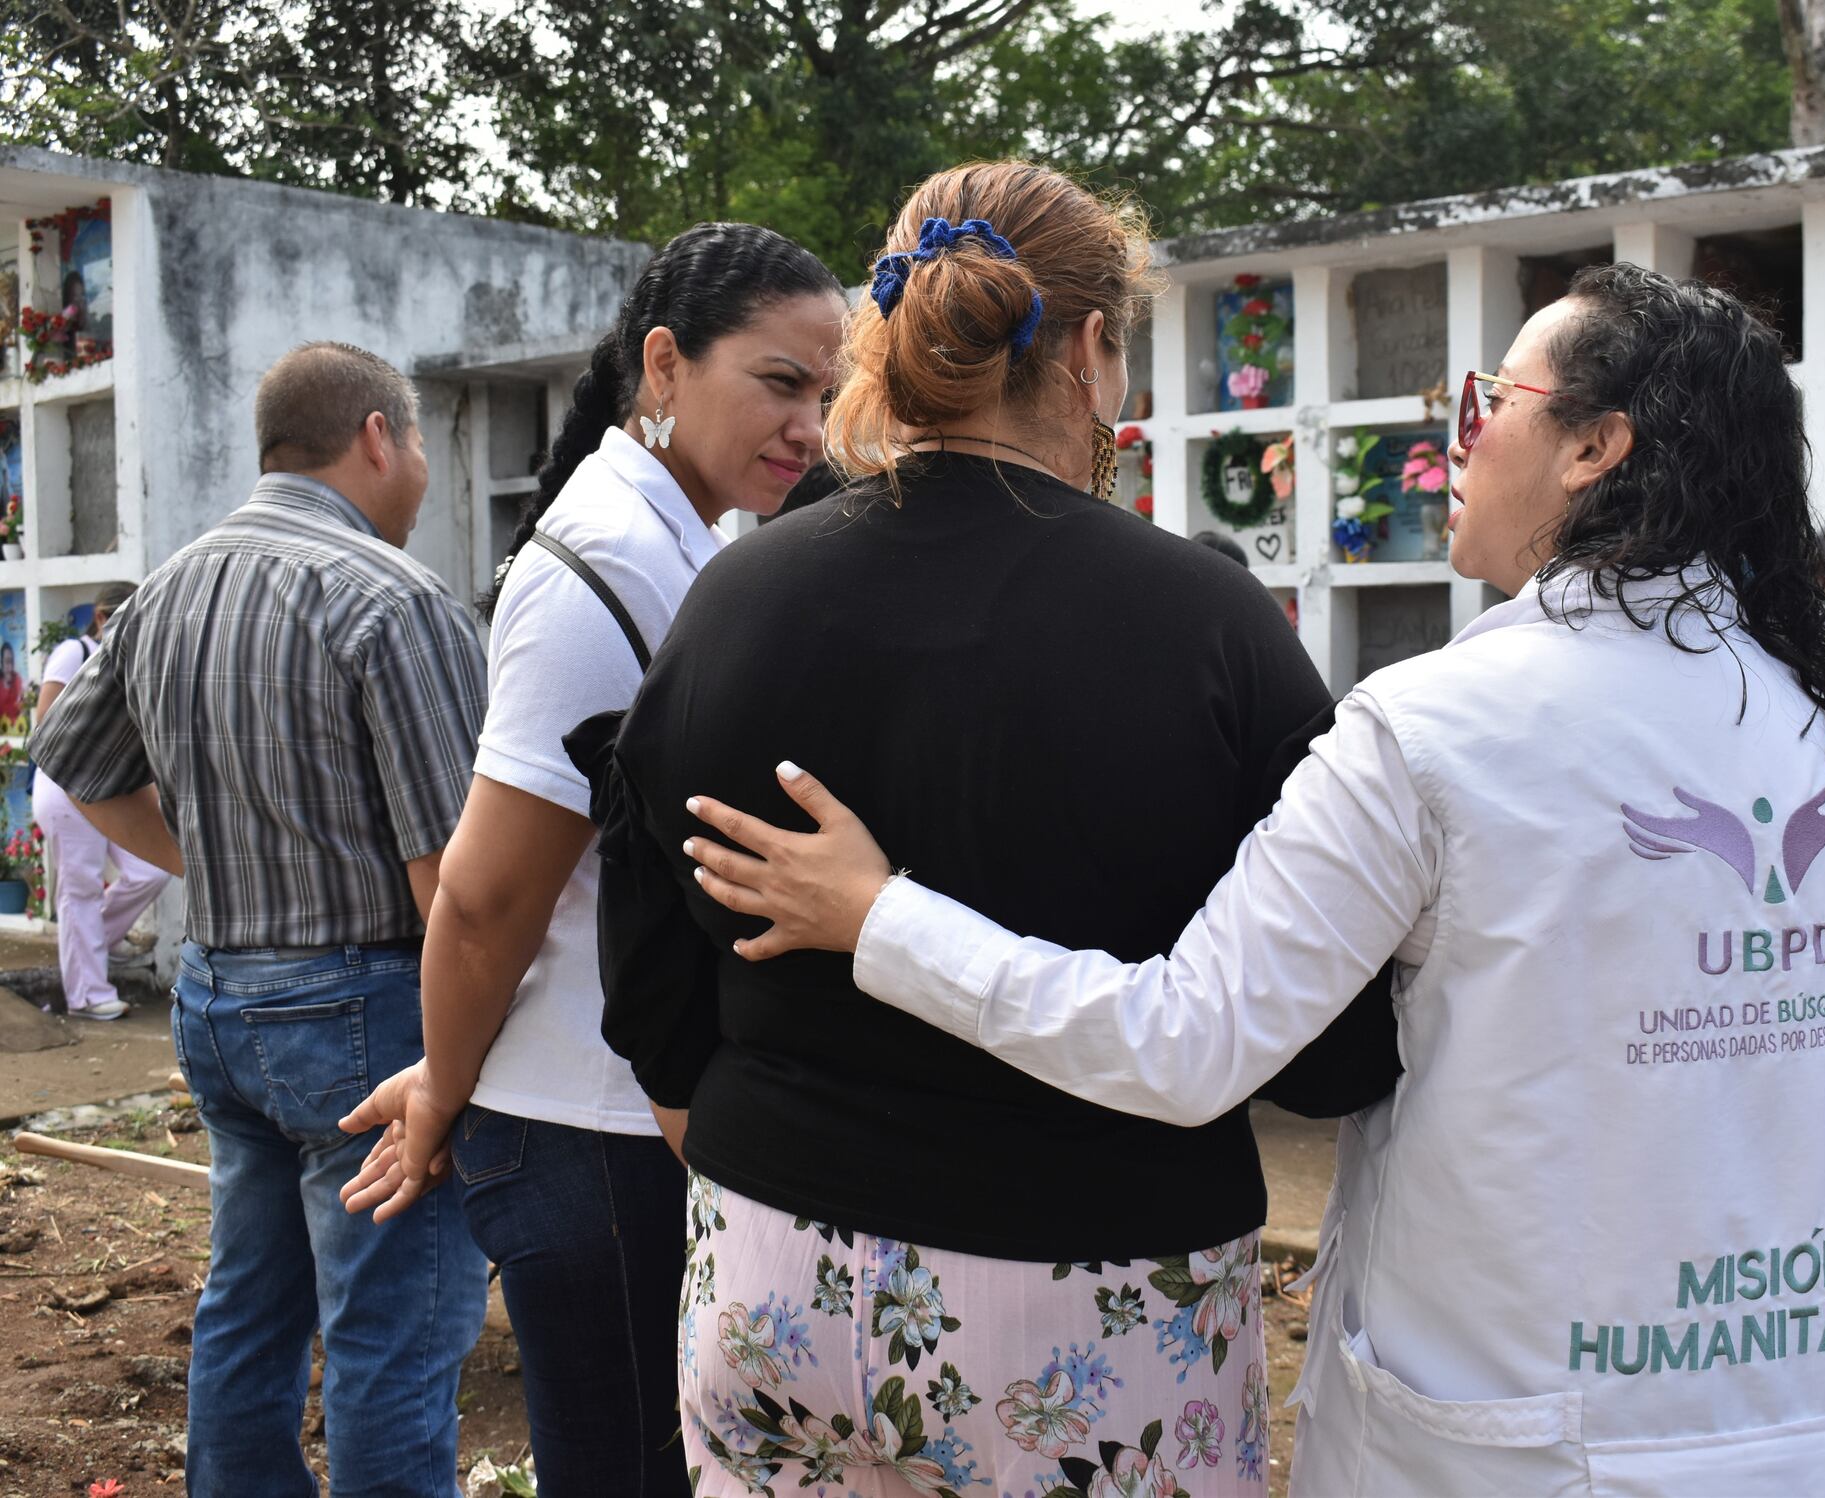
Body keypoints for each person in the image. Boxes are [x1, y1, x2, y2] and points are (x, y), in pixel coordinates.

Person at [683, 265, 1825, 1494]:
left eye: (1487, 402)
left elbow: (1185, 1043)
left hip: (1514, 1446)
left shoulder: (1440, 729)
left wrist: (881, 917)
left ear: (1595, 446)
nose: (1460, 441)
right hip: (1819, 1431)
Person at [565, 162, 1397, 1496]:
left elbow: (649, 956)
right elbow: (1332, 1041)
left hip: (768, 1264)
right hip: (1089, 1309)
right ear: (1089, 349)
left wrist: (761, 1139)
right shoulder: (1209, 628)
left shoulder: (730, 600)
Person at [335, 225, 843, 1494]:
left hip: (635, 1110)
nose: (810, 429)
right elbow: (489, 893)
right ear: (662, 365)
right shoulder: (603, 562)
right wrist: (445, 1085)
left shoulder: (694, 536)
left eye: (826, 396)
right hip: (587, 1125)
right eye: (780, 383)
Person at [31, 342, 489, 1497]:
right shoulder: (393, 596)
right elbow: (454, 880)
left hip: (221, 1000)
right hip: (367, 1014)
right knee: (391, 1329)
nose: (424, 468)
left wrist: (210, 856)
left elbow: (76, 766)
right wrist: (466, 1051)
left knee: (251, 1304)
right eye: (423, 440)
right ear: (378, 435)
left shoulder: (170, 586)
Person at [32, 582, 172, 1020]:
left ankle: (95, 945)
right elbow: (45, 721)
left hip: (114, 784)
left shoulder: (133, 657)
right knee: (81, 887)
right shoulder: (74, 652)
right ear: (101, 618)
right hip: (65, 781)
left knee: (151, 870)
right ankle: (88, 995)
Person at [0, 642, 23, 723]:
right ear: (1, 662)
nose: (9, 665)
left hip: (16, 729)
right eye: (6, 661)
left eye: (11, 661)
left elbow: (21, 705)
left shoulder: (17, 679)